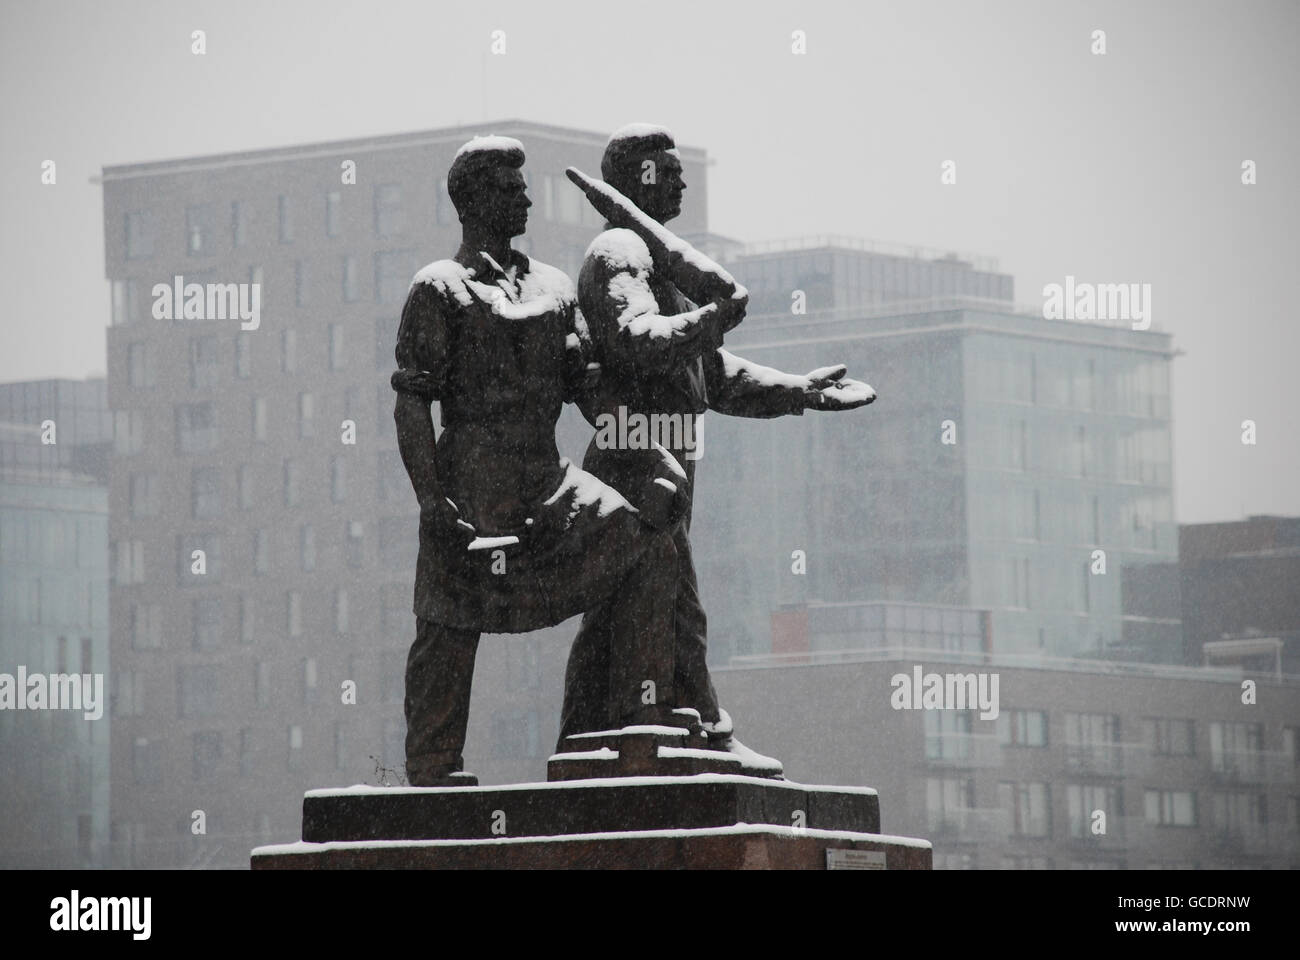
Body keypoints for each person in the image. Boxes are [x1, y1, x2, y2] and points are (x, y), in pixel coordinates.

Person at [558, 123, 876, 775]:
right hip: (636, 458)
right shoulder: (620, 250)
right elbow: (638, 336)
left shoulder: (657, 261)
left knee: (632, 606)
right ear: (636, 178)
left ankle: (605, 736)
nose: (679, 180)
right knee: (663, 602)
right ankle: (667, 726)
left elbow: (711, 372)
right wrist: (709, 318)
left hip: (660, 460)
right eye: (665, 170)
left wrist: (797, 391)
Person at [391, 135, 685, 786]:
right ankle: (433, 768)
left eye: (523, 186)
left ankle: (640, 722)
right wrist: (432, 502)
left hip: (550, 491)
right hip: (471, 491)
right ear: (472, 201)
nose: (524, 197)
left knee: (648, 545)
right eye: (508, 186)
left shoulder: (554, 288)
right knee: (446, 629)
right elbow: (412, 403)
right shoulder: (438, 288)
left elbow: (591, 391)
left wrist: (653, 456)